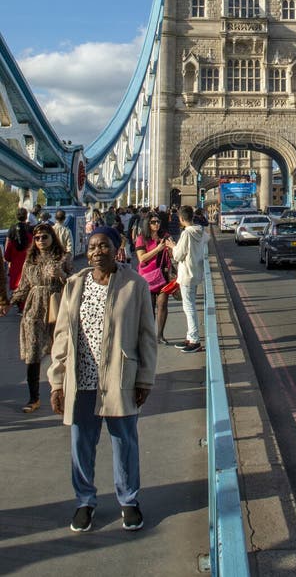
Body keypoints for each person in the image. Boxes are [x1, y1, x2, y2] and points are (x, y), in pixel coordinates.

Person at [47, 226, 157, 533]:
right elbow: (63, 336)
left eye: (104, 246)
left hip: (120, 377)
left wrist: (145, 379)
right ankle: (85, 501)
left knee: (125, 442)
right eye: (93, 246)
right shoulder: (75, 283)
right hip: (80, 378)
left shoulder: (134, 284)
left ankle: (129, 500)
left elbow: (147, 335)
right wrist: (56, 381)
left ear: (116, 247)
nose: (97, 252)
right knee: (81, 443)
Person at [0, 222, 72, 412]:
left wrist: (61, 275)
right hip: (33, 309)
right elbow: (23, 286)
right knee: (33, 354)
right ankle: (34, 399)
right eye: (37, 238)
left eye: (44, 237)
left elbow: (75, 284)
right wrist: (9, 303)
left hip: (56, 308)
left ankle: (62, 392)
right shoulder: (30, 260)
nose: (40, 241)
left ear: (52, 238)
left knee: (60, 350)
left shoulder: (63, 257)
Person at [166, 205, 207, 353]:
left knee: (189, 308)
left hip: (186, 275)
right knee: (190, 306)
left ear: (182, 219)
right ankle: (190, 336)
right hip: (196, 272)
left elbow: (178, 255)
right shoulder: (201, 231)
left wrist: (172, 245)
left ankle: (194, 340)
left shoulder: (186, 234)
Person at [135, 212, 172, 344]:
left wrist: (171, 248)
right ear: (148, 224)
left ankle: (160, 335)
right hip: (147, 277)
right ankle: (148, 336)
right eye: (153, 222)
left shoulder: (165, 236)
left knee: (162, 305)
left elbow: (173, 254)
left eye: (158, 222)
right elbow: (142, 258)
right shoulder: (142, 238)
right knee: (149, 307)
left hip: (163, 275)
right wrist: (158, 249)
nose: (157, 224)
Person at [4, 207, 33, 293]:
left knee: (16, 280)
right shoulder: (30, 228)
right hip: (27, 258)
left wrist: (8, 260)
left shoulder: (12, 228)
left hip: (15, 258)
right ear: (26, 217)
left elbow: (8, 243)